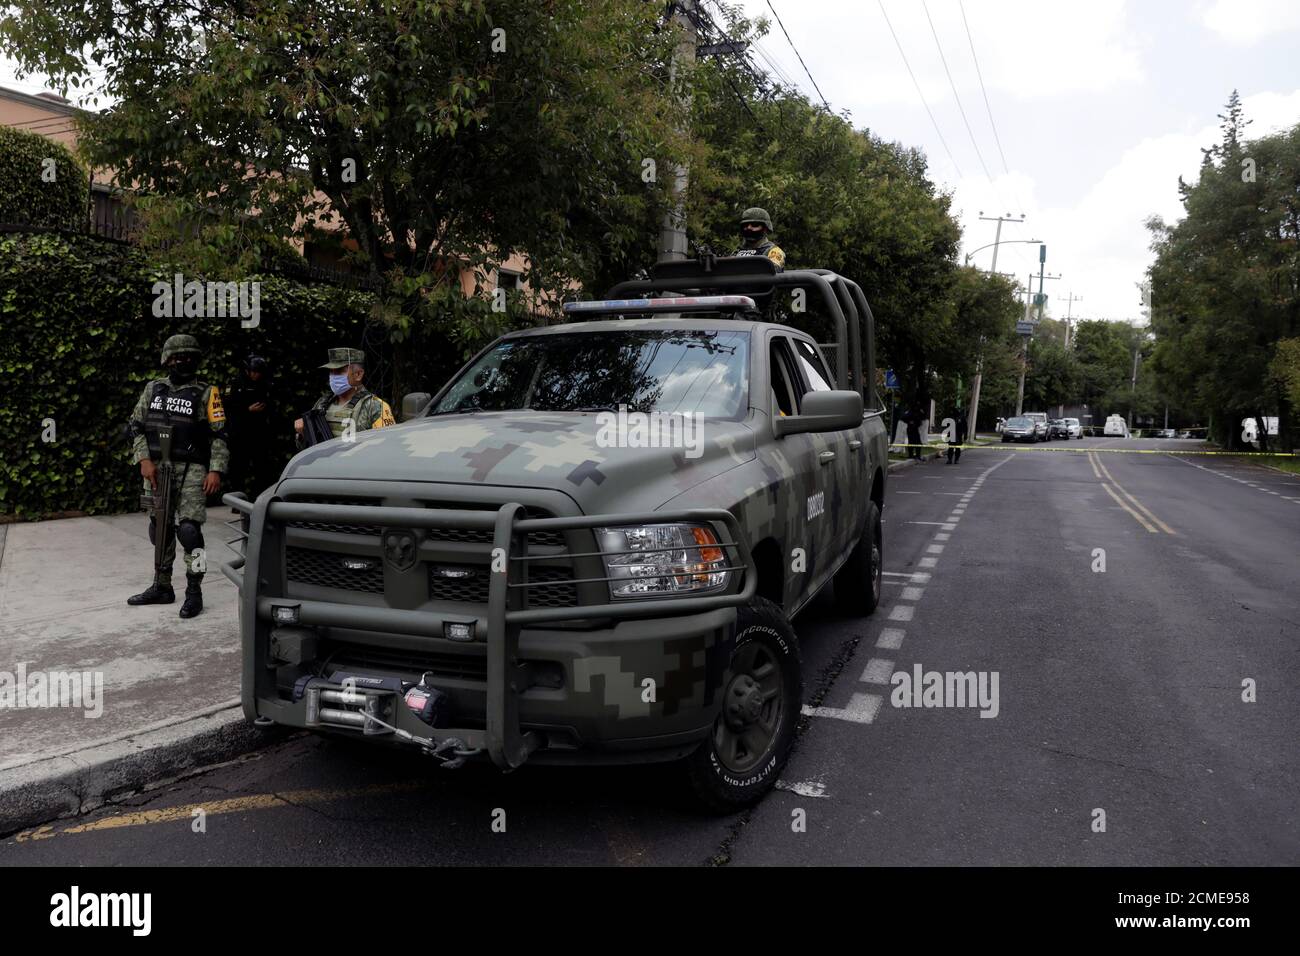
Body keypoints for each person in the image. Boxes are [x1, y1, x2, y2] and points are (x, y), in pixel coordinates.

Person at [126, 334, 228, 618]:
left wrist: (216, 469)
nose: (183, 361)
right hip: (156, 469)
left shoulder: (207, 392)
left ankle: (194, 591)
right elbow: (135, 426)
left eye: (189, 357)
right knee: (158, 529)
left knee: (189, 531)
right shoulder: (153, 389)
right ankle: (161, 586)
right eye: (177, 357)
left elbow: (219, 435)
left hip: (192, 469)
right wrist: (144, 460)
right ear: (167, 360)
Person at [294, 347, 395, 447]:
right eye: (331, 371)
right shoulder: (322, 404)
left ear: (358, 374)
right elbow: (308, 448)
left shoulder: (375, 406)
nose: (333, 376)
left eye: (339, 371)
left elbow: (388, 447)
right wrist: (302, 433)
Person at [224, 354, 275, 498]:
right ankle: (236, 499)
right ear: (247, 370)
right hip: (239, 432)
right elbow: (227, 407)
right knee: (238, 467)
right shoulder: (235, 383)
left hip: (259, 432)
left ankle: (258, 498)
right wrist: (247, 410)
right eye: (254, 371)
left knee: (262, 467)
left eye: (259, 372)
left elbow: (271, 404)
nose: (256, 375)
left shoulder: (264, 383)